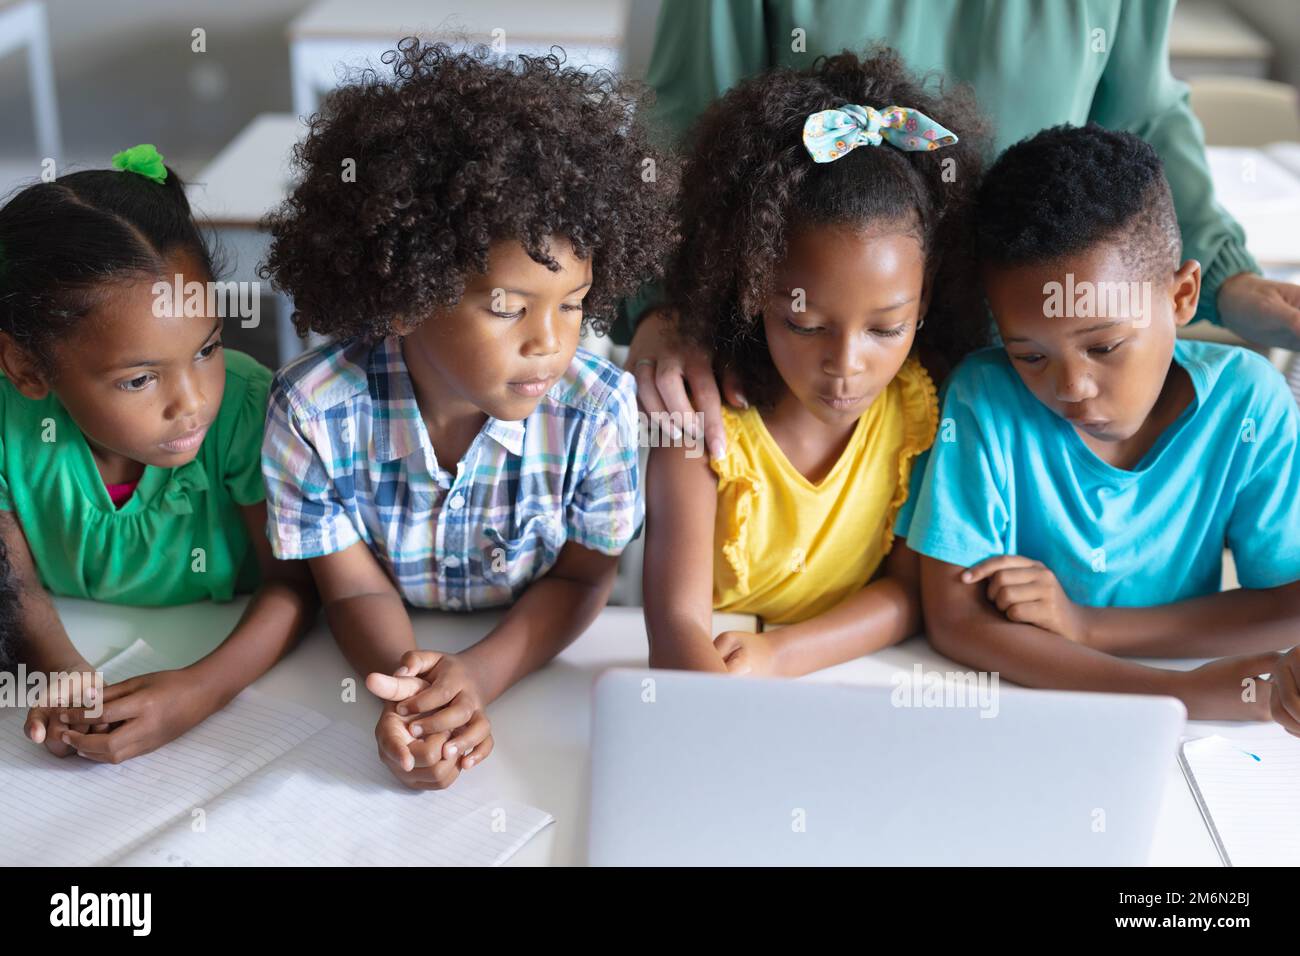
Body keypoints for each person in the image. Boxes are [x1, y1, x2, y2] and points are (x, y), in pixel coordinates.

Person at [259, 40, 678, 789]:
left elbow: (584, 581)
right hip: (375, 652)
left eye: (574, 306)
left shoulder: (598, 407)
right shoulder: (314, 413)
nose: (549, 342)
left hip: (534, 662)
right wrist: (411, 697)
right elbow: (352, 588)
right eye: (508, 309)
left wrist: (477, 676)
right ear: (404, 297)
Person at [626, 0, 1300, 461]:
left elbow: (1141, 118)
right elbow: (686, 115)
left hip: (1017, 373)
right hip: (793, 382)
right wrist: (666, 301)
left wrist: (1224, 271)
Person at [902, 124, 1300, 720]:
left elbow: (1288, 605)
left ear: (1183, 296)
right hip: (1027, 714)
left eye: (1106, 346)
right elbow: (957, 622)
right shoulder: (985, 400)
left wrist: (1089, 627)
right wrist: (1178, 695)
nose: (1072, 388)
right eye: (1030, 355)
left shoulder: (1248, 403)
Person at [644, 48, 987, 674]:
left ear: (926, 299)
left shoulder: (924, 412)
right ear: (751, 291)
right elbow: (675, 622)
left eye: (886, 327)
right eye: (804, 323)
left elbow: (910, 595)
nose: (846, 364)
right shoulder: (702, 423)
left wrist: (779, 655)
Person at [0, 145, 317, 762]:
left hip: (256, 666)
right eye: (139, 379)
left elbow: (297, 586)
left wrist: (200, 691)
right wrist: (65, 673)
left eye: (207, 349)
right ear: (27, 368)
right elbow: (18, 587)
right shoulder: (11, 430)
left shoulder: (248, 412)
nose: (194, 401)